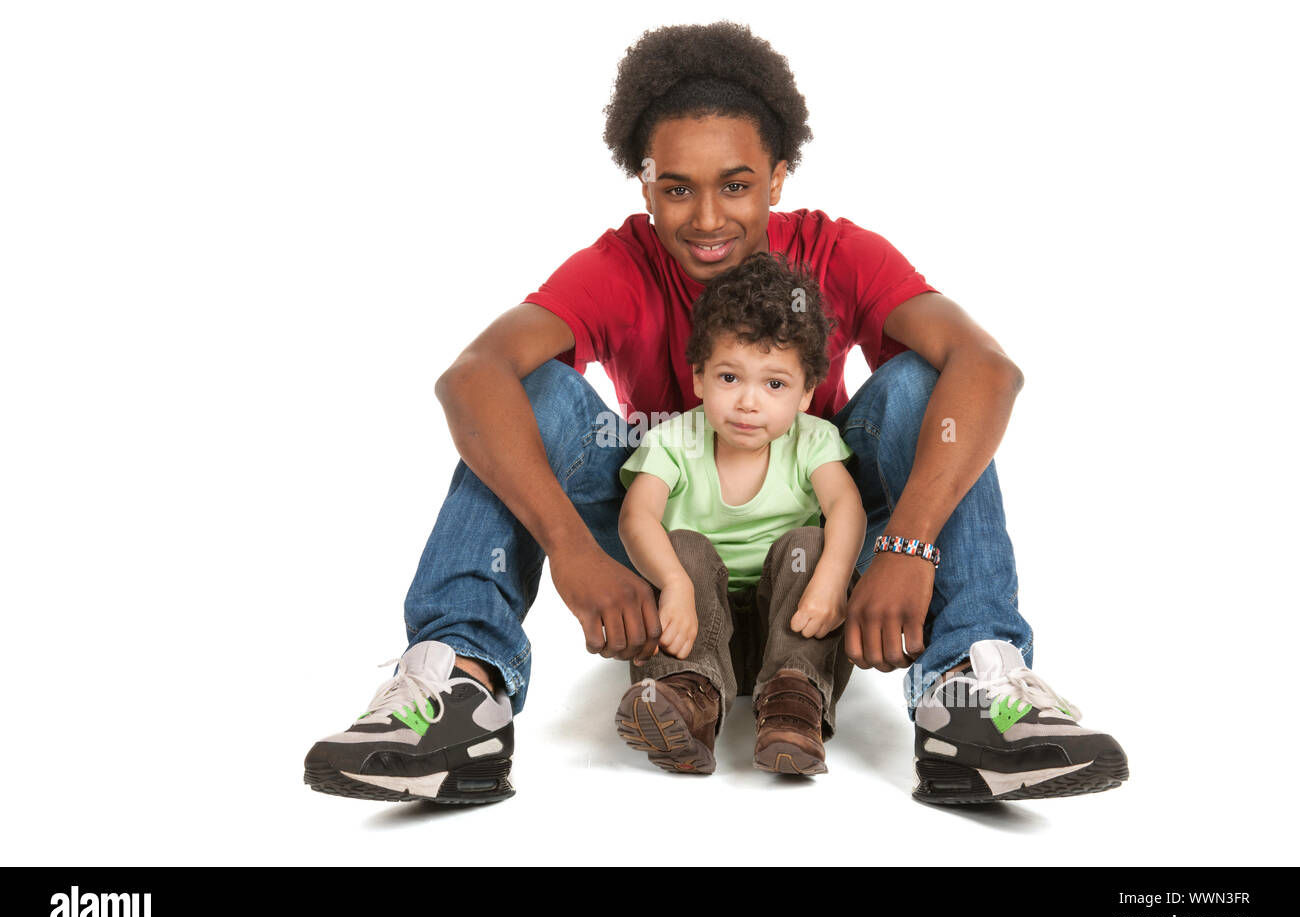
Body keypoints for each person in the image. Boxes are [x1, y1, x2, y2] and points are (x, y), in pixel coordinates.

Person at [303, 20, 1128, 806]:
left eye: (736, 185)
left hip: (822, 546)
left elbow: (988, 367)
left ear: (775, 177)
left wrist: (907, 545)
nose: (706, 220)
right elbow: (471, 375)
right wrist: (568, 548)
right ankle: (459, 689)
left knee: (926, 382)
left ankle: (972, 695)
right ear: (646, 184)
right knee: (532, 394)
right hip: (657, 543)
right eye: (677, 189)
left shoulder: (837, 252)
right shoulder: (620, 265)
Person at [616, 252, 865, 776]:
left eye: (774, 384)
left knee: (809, 546)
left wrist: (833, 580)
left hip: (791, 624)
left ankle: (794, 704)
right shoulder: (674, 439)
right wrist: (676, 585)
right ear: (700, 378)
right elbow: (637, 517)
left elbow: (846, 506)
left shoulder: (814, 440)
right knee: (681, 545)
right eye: (730, 377)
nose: (749, 402)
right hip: (697, 626)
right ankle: (688, 699)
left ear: (805, 394)